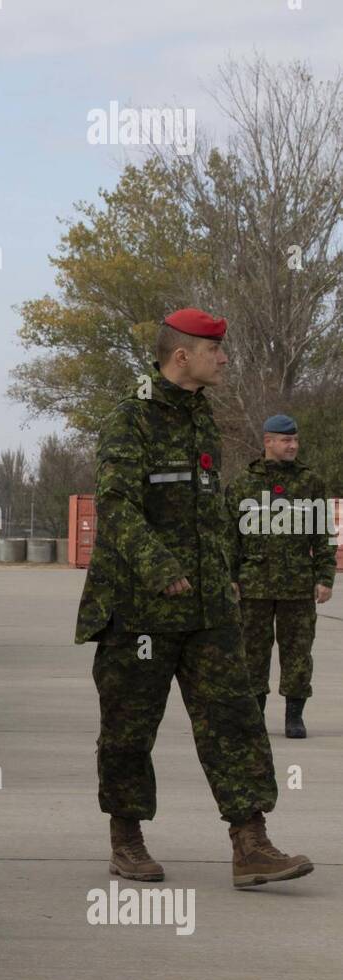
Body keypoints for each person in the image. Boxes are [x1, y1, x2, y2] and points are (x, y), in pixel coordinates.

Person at [74, 308, 313, 889]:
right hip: (139, 610)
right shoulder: (130, 421)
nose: (225, 358)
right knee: (130, 729)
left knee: (236, 720)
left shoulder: (204, 421)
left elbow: (209, 514)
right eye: (216, 350)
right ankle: (126, 839)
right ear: (182, 356)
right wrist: (160, 567)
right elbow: (119, 507)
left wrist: (225, 576)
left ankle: (251, 843)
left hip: (207, 609)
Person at [225, 414, 335, 738]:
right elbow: (228, 535)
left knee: (298, 652)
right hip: (253, 585)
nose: (293, 446)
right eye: (286, 441)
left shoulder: (310, 482)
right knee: (252, 653)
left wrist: (325, 577)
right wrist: (230, 577)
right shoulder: (244, 483)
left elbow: (322, 533)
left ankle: (294, 717)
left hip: (298, 585)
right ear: (268, 442)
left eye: (296, 440)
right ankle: (253, 716)